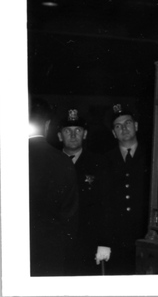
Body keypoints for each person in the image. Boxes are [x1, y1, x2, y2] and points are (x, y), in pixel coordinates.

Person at [95, 104, 150, 275]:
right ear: (113, 133)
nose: (124, 128)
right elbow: (102, 203)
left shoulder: (152, 155)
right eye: (118, 126)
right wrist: (103, 241)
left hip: (147, 236)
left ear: (136, 126)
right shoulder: (104, 161)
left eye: (127, 123)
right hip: (117, 239)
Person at [28, 97, 79, 276]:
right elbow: (70, 211)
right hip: (52, 247)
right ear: (47, 125)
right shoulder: (62, 160)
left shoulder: (7, 157)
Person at [58, 108, 105, 275]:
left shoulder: (99, 164)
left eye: (77, 130)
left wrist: (104, 242)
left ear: (84, 134)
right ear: (59, 136)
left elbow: (105, 205)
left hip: (88, 242)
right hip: (57, 243)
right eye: (67, 131)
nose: (72, 135)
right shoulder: (51, 163)